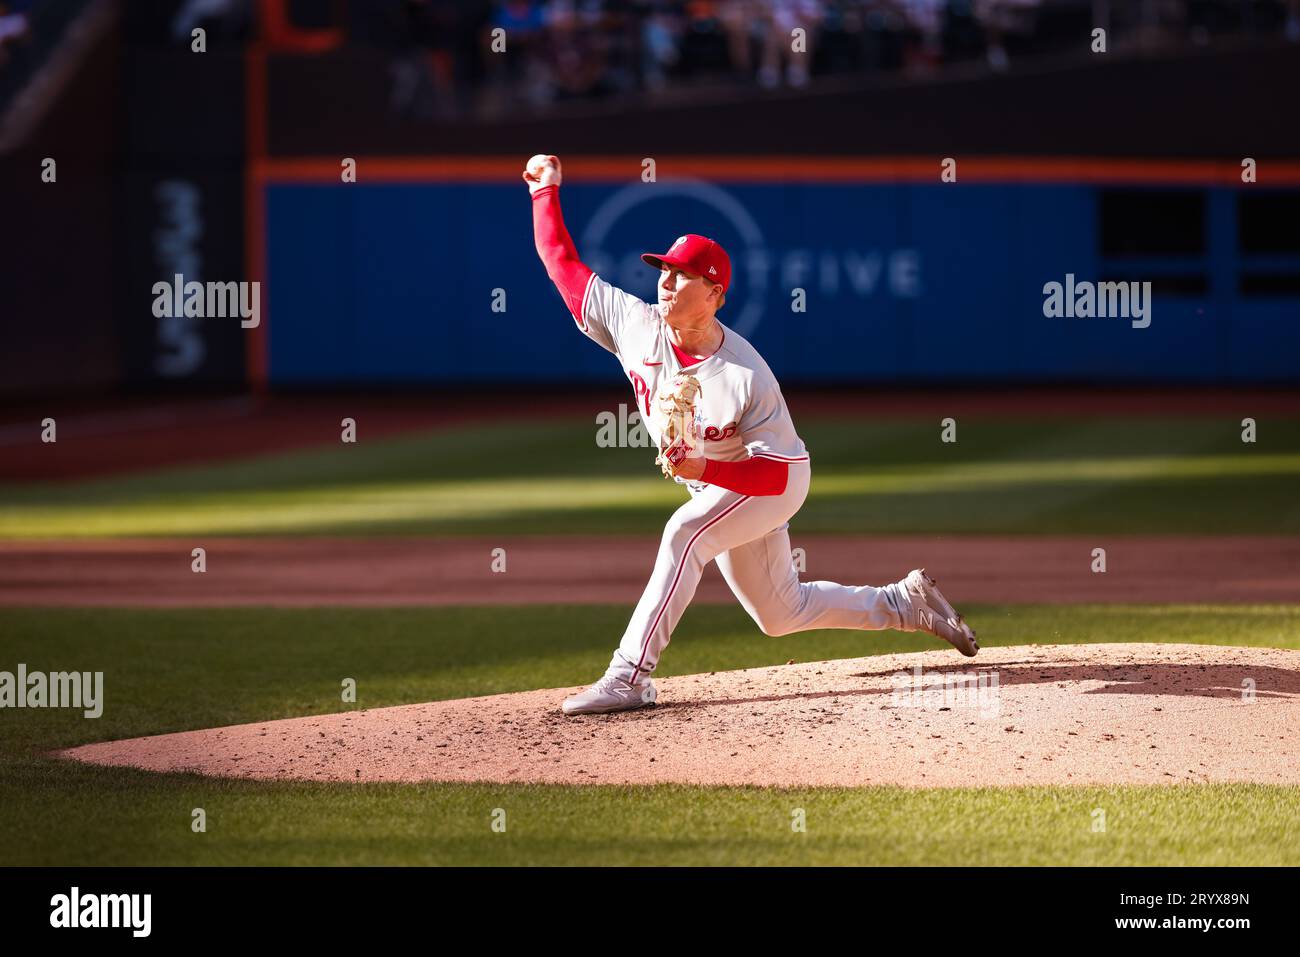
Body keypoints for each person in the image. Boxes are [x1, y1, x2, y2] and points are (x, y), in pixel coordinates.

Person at [523, 154, 978, 716]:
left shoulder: (745, 373)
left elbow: (779, 474)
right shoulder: (635, 326)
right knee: (779, 613)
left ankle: (629, 676)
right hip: (720, 486)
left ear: (715, 292)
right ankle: (904, 603)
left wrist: (707, 471)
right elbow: (561, 262)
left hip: (772, 479)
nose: (664, 282)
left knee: (684, 533)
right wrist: (545, 192)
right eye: (662, 271)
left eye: (680, 274)